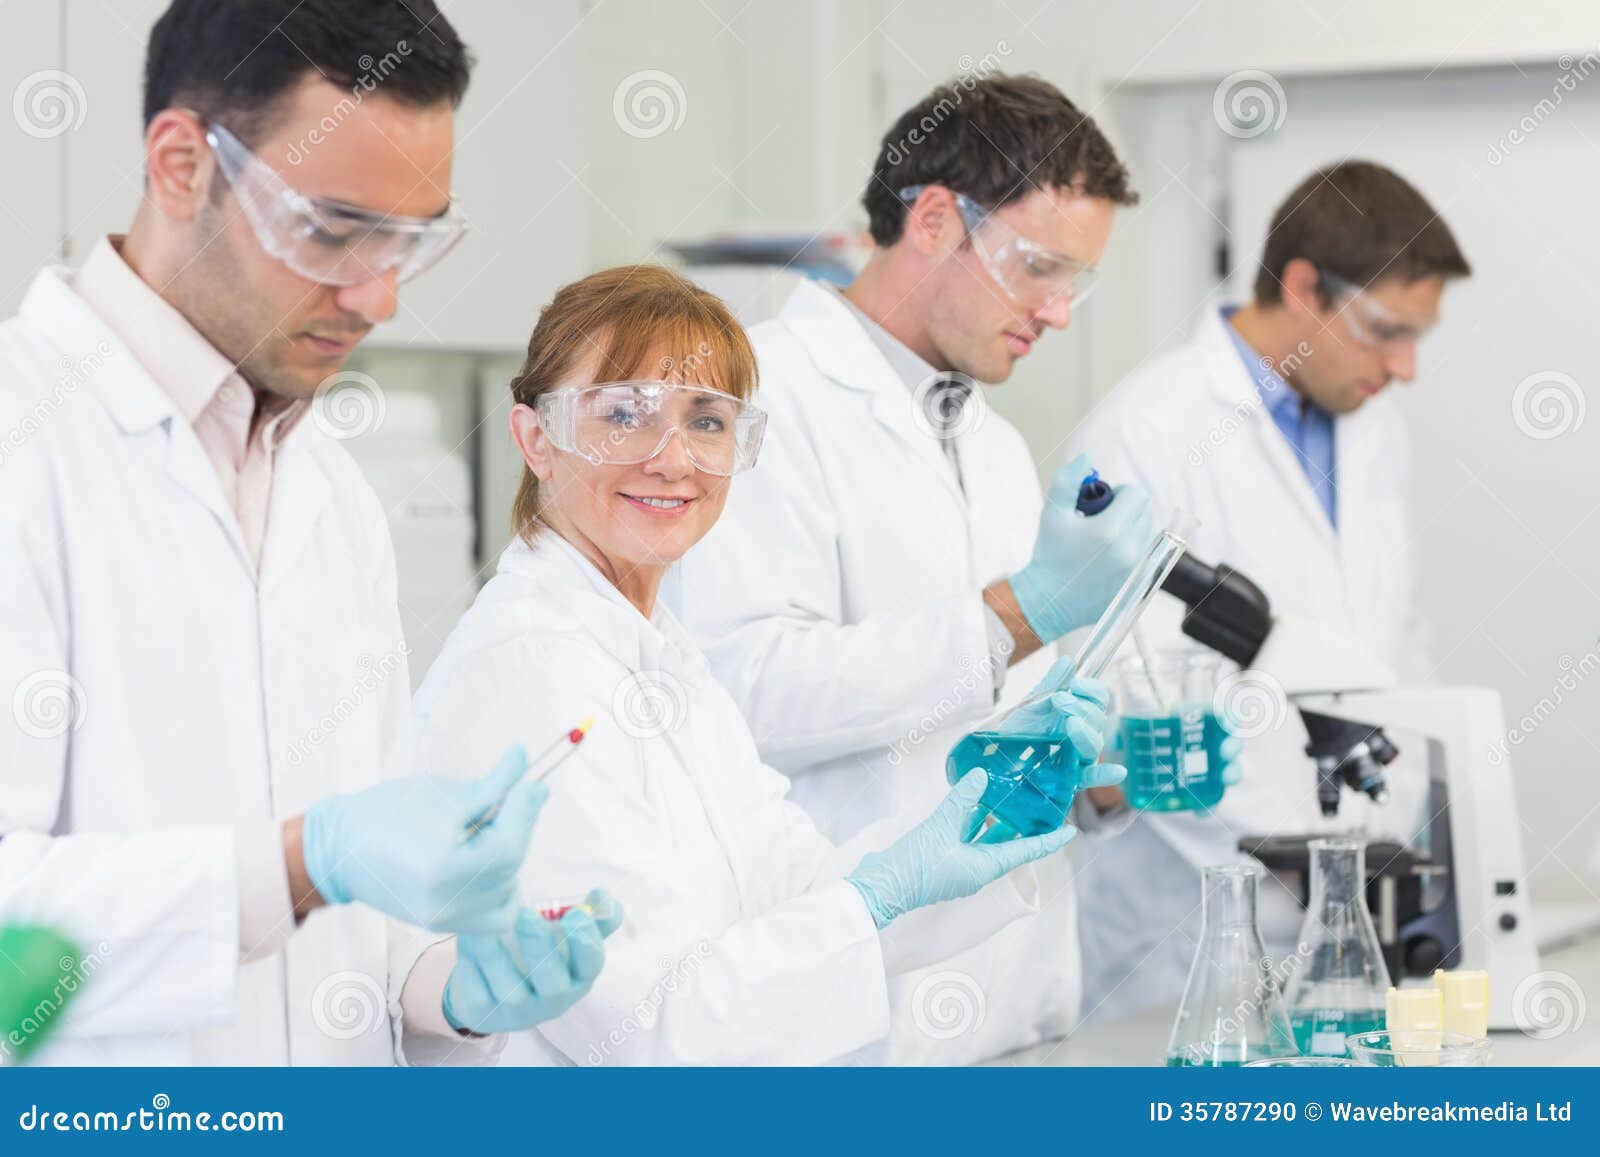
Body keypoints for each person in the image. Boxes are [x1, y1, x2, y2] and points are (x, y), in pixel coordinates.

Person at [0, 0, 615, 1066]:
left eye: (410, 240)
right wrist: (306, 862)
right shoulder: (27, 440)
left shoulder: (331, 483)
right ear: (182, 164)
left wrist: (454, 988)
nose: (377, 294)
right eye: (332, 229)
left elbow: (353, 947)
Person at [411, 265, 1126, 1065]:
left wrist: (972, 816)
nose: (672, 459)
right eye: (623, 414)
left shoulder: (656, 649)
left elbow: (786, 876)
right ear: (535, 438)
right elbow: (652, 1027)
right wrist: (873, 898)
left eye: (708, 421)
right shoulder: (531, 672)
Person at [664, 74, 1234, 1063]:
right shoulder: (752, 398)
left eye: (1076, 281)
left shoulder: (998, 445)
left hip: (1013, 1007)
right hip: (857, 1015)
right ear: (932, 220)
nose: (1057, 312)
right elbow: (740, 696)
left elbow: (986, 723)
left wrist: (1103, 780)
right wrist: (1017, 612)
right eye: (1041, 268)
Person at [1065, 160, 1471, 1024]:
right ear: (1302, 288)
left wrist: (1404, 849)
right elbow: (1135, 700)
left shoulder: (1372, 429)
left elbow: (1396, 637)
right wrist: (1324, 859)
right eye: (1385, 330)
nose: (1405, 367)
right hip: (1181, 937)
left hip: (1357, 910)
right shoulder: (1149, 429)